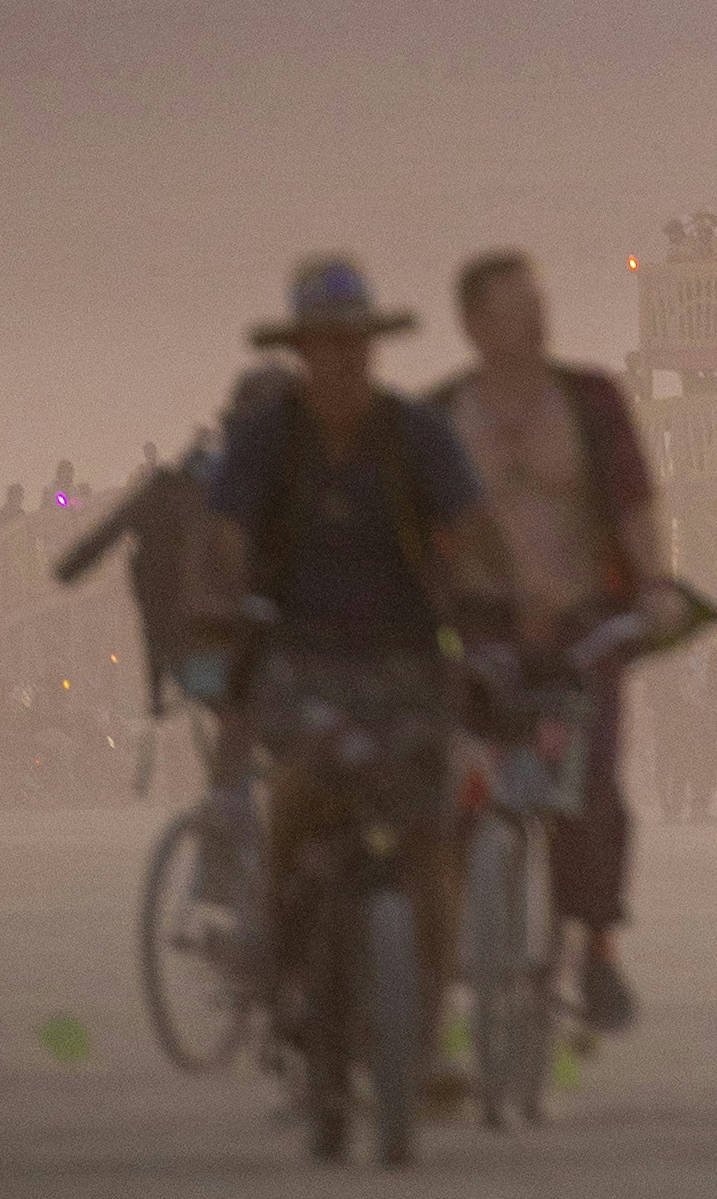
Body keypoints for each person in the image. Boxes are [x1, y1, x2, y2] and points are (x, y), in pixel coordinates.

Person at [198, 257, 509, 1126]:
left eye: (355, 343)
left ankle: (426, 1035)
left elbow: (475, 529)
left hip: (408, 661)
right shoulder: (266, 440)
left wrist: (497, 595)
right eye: (326, 344)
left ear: (374, 347)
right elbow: (222, 537)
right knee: (295, 801)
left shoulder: (417, 436)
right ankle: (282, 977)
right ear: (302, 350)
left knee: (427, 844)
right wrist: (218, 601)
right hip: (299, 661)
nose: (343, 358)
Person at [437, 251, 679, 1036]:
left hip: (579, 624)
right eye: (514, 307)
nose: (536, 318)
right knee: (446, 785)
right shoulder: (444, 415)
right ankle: (435, 945)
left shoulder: (589, 401)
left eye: (537, 301)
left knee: (590, 786)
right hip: (480, 628)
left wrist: (654, 582)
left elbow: (633, 502)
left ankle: (599, 947)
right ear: (474, 323)